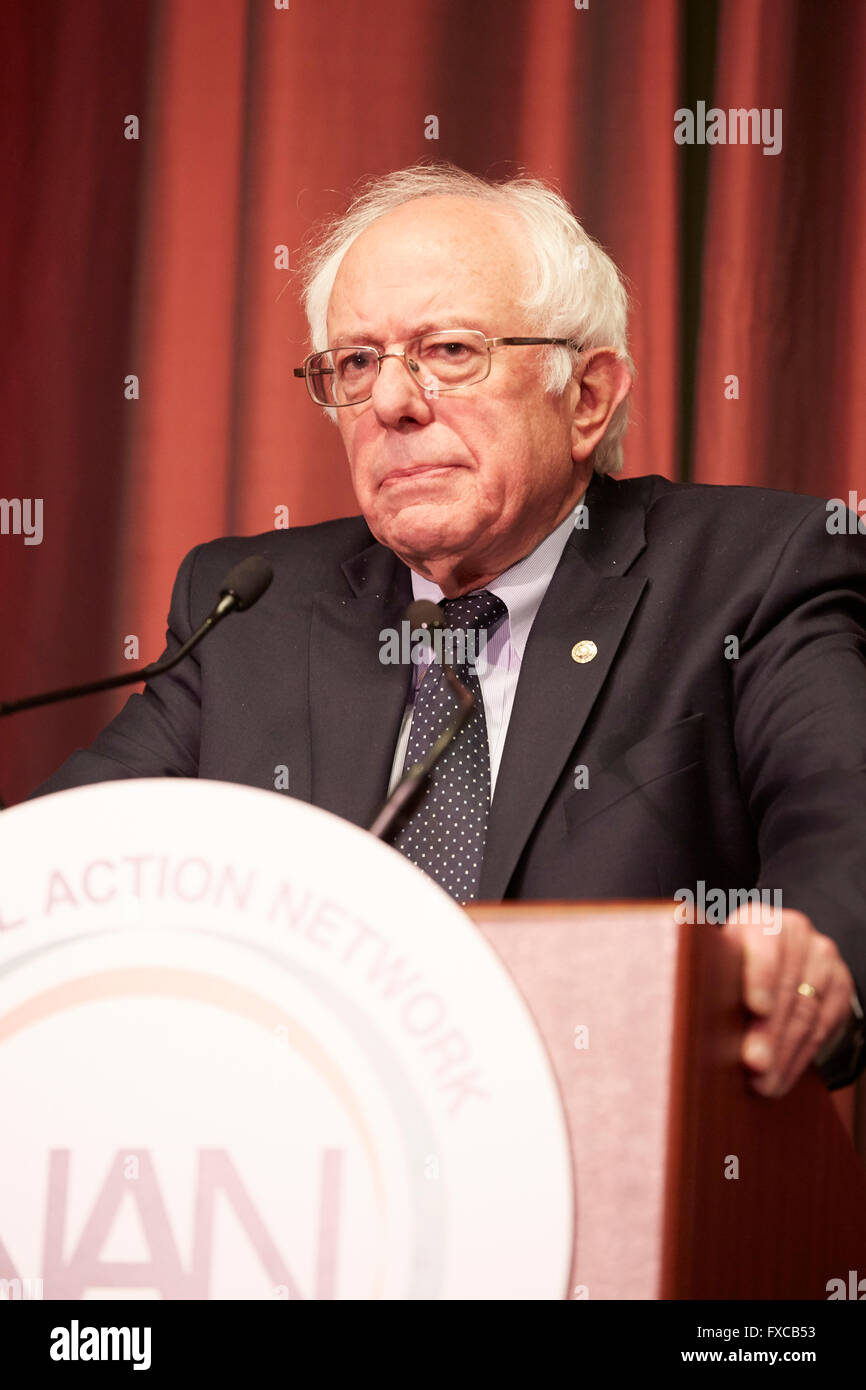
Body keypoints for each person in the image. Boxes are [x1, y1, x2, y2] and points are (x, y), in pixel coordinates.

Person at [29, 162, 866, 1096]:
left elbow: (840, 818)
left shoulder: (752, 570)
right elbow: (60, 860)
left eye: (451, 350)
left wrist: (812, 949)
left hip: (609, 1134)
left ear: (587, 397)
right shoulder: (248, 608)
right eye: (355, 363)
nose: (393, 403)